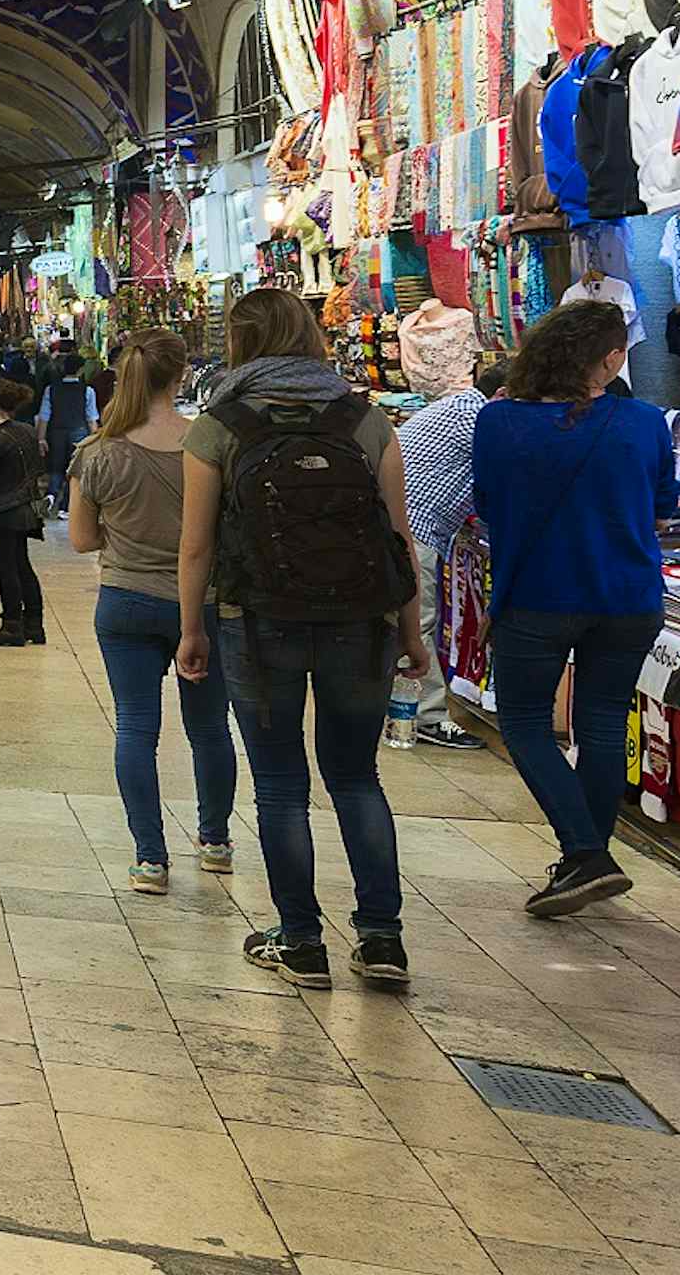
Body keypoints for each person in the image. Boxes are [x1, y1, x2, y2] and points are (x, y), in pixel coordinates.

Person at [176, 287, 431, 991]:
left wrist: (191, 629)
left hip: (256, 623)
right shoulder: (365, 421)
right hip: (361, 623)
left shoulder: (219, 425)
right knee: (356, 777)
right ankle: (382, 939)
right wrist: (410, 630)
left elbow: (195, 546)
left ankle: (302, 940)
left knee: (282, 785)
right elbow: (397, 538)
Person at [469, 300, 679, 916]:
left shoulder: (500, 421)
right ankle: (585, 858)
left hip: (537, 592)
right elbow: (663, 512)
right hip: (628, 596)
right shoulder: (644, 422)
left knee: (527, 722)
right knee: (603, 724)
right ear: (612, 359)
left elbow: (486, 504)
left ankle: (585, 853)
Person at [67, 332, 235, 891]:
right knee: (210, 727)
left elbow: (82, 540)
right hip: (204, 604)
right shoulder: (209, 443)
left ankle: (149, 858)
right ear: (183, 374)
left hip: (126, 600)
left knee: (136, 727)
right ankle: (214, 841)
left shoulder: (97, 453)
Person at [391, 354, 510, 753]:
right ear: (503, 394)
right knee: (417, 622)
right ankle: (424, 716)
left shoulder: (457, 407)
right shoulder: (478, 420)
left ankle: (400, 709)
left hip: (404, 524)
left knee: (406, 621)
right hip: (414, 529)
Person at [0, 374, 50, 645]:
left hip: (0, 514)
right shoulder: (25, 430)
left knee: (6, 570)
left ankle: (12, 625)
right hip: (25, 508)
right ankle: (34, 624)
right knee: (22, 566)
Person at [40, 340, 105, 508]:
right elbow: (91, 417)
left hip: (56, 431)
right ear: (81, 369)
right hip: (79, 430)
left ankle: (52, 495)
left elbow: (44, 416)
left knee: (57, 465)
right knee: (75, 469)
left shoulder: (51, 389)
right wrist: (96, 438)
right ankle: (65, 505)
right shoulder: (87, 391)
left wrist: (41, 438)